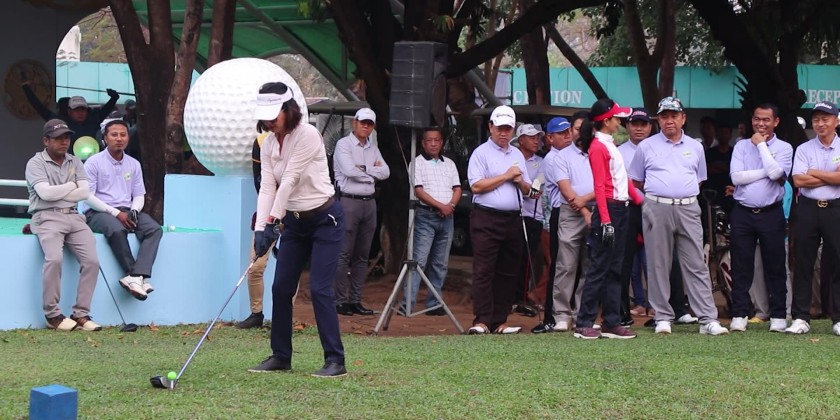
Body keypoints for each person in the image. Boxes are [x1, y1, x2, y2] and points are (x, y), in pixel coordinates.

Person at [248, 82, 346, 377]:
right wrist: (260, 229)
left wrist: (272, 222)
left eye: (273, 114)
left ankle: (335, 360)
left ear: (288, 109)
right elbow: (268, 186)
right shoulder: (267, 143)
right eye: (264, 115)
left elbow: (289, 180)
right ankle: (281, 355)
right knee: (281, 287)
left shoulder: (308, 135)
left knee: (319, 289)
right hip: (294, 221)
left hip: (324, 219)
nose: (268, 120)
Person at [628, 96, 728, 336]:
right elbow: (637, 180)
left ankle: (707, 319)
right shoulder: (646, 146)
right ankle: (663, 316)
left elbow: (700, 179)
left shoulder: (695, 147)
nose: (669, 120)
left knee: (696, 263)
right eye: (664, 116)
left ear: (683, 118)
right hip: (657, 207)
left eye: (674, 115)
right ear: (658, 120)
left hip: (688, 207)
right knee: (658, 262)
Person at [573, 99, 642, 339]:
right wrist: (605, 220)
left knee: (615, 268)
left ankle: (612, 322)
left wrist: (641, 203)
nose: (620, 121)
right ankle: (584, 322)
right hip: (610, 210)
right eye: (616, 118)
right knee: (600, 268)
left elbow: (624, 180)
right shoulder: (598, 147)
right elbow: (600, 187)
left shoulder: (611, 144)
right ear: (606, 121)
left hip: (620, 209)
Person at [25, 119, 101, 331]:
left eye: (66, 137)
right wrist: (70, 186)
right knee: (54, 259)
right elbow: (45, 194)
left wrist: (60, 192)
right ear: (46, 140)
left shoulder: (75, 161)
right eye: (58, 138)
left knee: (92, 261)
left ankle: (81, 314)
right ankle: (53, 315)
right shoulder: (35, 163)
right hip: (46, 217)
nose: (64, 142)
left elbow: (84, 193)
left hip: (74, 217)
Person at [466, 105, 533, 334]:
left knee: (508, 270)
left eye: (508, 128)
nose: (504, 133)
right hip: (486, 218)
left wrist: (521, 182)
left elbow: (526, 188)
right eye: (500, 128)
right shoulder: (481, 153)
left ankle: (499, 320)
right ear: (490, 127)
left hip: (513, 218)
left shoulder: (516, 155)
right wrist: (506, 176)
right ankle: (482, 321)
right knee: (485, 269)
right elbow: (476, 186)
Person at [726, 103, 793, 333]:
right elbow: (736, 177)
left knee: (775, 265)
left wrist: (763, 146)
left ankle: (778, 316)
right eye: (757, 119)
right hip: (743, 212)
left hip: (771, 213)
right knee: (741, 265)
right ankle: (740, 314)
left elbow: (778, 175)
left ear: (776, 122)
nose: (760, 124)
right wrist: (766, 170)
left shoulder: (784, 148)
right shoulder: (741, 146)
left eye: (766, 120)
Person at [83, 120, 162, 301]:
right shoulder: (93, 162)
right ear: (105, 138)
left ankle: (136, 276)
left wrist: (134, 210)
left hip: (127, 209)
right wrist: (115, 213)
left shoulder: (134, 164)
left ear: (128, 138)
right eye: (114, 135)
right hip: (98, 212)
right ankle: (132, 273)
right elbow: (88, 196)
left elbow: (139, 195)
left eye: (123, 135)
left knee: (154, 229)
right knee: (117, 230)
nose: (119, 139)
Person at [788, 101, 840, 335]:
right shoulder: (804, 149)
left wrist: (815, 172)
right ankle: (800, 317)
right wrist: (832, 176)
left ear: (836, 121)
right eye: (816, 119)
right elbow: (798, 181)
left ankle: (838, 318)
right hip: (808, 208)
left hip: (835, 208)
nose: (820, 123)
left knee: (838, 261)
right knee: (803, 262)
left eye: (825, 119)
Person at [332, 108, 390, 316]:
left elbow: (386, 172)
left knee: (362, 255)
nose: (366, 126)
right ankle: (339, 300)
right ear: (354, 123)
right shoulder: (343, 145)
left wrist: (363, 170)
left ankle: (355, 300)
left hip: (369, 202)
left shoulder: (372, 148)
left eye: (370, 124)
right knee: (343, 253)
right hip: (349, 201)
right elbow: (348, 171)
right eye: (362, 122)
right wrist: (371, 172)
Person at [400, 127, 461, 315]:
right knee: (419, 260)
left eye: (437, 140)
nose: (433, 143)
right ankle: (407, 304)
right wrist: (439, 206)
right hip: (426, 215)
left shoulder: (449, 163)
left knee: (440, 263)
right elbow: (419, 191)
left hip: (447, 216)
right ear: (423, 143)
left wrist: (450, 205)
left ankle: (434, 303)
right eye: (429, 140)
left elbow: (457, 188)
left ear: (442, 142)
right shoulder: (416, 163)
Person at [547, 116, 597, 333]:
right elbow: (565, 189)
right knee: (566, 265)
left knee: (591, 265)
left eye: (578, 129)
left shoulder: (599, 151)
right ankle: (562, 315)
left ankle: (583, 314)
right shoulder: (562, 156)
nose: (573, 134)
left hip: (597, 208)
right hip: (571, 211)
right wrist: (584, 210)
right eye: (573, 129)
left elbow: (606, 182)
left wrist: (587, 205)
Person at [531, 117, 575, 333]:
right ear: (549, 138)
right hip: (558, 216)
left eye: (568, 132)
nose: (567, 136)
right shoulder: (553, 158)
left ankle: (564, 312)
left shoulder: (569, 155)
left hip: (566, 214)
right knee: (558, 267)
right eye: (561, 133)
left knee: (568, 266)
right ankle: (551, 315)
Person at [237, 133, 277, 329]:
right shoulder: (261, 142)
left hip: (295, 214)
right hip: (268, 212)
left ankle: (285, 316)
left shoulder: (301, 140)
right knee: (255, 267)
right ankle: (256, 314)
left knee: (289, 269)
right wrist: (263, 227)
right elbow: (261, 185)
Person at [618, 108, 653, 320]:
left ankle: (658, 307)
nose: (639, 128)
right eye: (635, 124)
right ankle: (623, 309)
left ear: (650, 126)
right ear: (628, 126)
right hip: (628, 208)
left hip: (654, 206)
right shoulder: (619, 151)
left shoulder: (658, 148)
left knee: (655, 259)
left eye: (643, 124)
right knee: (626, 261)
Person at [22, 80, 119, 145]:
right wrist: (26, 88)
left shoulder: (94, 119)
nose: (80, 113)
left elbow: (107, 108)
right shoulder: (60, 122)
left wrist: (114, 97)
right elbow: (39, 108)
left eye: (83, 109)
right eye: (76, 109)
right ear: (69, 111)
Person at [513, 123, 545, 317]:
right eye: (532, 137)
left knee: (526, 261)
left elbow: (535, 191)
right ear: (521, 139)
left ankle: (521, 298)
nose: (536, 141)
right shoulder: (511, 159)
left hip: (532, 216)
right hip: (512, 215)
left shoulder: (541, 162)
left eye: (537, 137)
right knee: (510, 259)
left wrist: (519, 183)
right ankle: (508, 297)